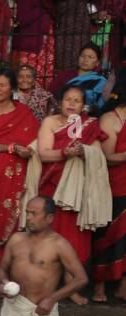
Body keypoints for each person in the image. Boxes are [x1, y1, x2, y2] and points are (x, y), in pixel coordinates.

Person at [33, 85, 110, 302]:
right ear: (60, 102)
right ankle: (45, 286)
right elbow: (44, 154)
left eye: (76, 100)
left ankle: (70, 287)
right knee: (50, 238)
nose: (71, 104)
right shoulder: (50, 122)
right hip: (53, 187)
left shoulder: (90, 124)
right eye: (68, 99)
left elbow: (98, 155)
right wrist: (64, 153)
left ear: (83, 105)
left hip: (76, 192)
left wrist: (84, 152)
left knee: (74, 239)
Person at [0, 196, 88, 316]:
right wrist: (3, 283)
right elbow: (2, 269)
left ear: (49, 218)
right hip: (14, 308)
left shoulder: (60, 245)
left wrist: (52, 299)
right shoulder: (16, 239)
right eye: (27, 212)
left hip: (40, 311)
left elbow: (81, 279)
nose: (28, 217)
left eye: (34, 213)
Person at [0, 68, 41, 292]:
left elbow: (34, 142)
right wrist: (9, 148)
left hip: (17, 175)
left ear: (11, 88)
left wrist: (26, 151)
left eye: (2, 84)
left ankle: (13, 275)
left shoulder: (22, 111)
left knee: (18, 222)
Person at [89, 96, 126, 302]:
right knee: (107, 236)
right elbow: (106, 157)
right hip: (114, 184)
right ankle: (99, 284)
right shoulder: (111, 119)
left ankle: (123, 285)